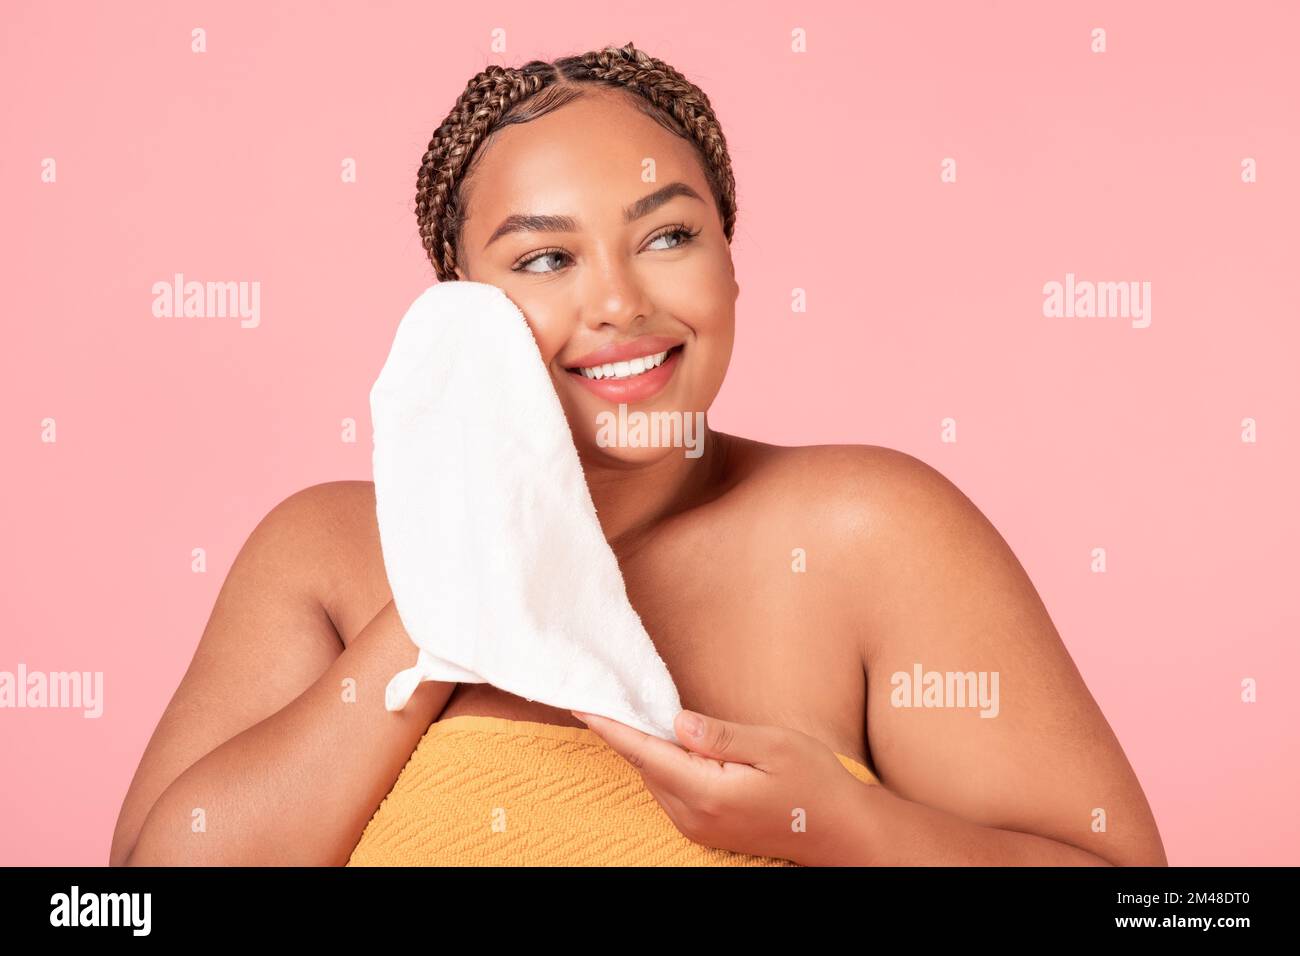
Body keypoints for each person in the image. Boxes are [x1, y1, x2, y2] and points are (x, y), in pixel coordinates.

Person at [110, 42, 1167, 867]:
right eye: (546, 257)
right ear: (456, 317)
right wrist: (457, 583)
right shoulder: (323, 554)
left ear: (732, 268)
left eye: (667, 236)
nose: (618, 301)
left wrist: (840, 823)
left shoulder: (868, 529)